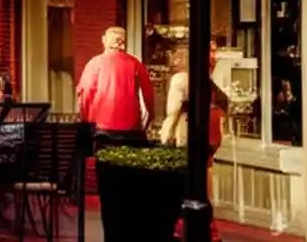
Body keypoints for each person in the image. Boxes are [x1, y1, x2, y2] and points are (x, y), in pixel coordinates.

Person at [163, 41, 228, 242]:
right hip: (190, 142)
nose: (214, 57)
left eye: (215, 52)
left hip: (203, 144)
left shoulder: (208, 83)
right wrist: (166, 137)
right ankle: (195, 228)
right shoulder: (184, 81)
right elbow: (172, 114)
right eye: (210, 52)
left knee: (197, 187)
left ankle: (201, 228)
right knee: (192, 186)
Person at [76, 26, 155, 148]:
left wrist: (85, 120)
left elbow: (85, 94)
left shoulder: (94, 64)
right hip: (131, 127)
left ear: (104, 40)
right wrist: (149, 116)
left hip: (101, 127)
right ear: (124, 42)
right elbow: (148, 94)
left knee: (102, 163)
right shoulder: (135, 64)